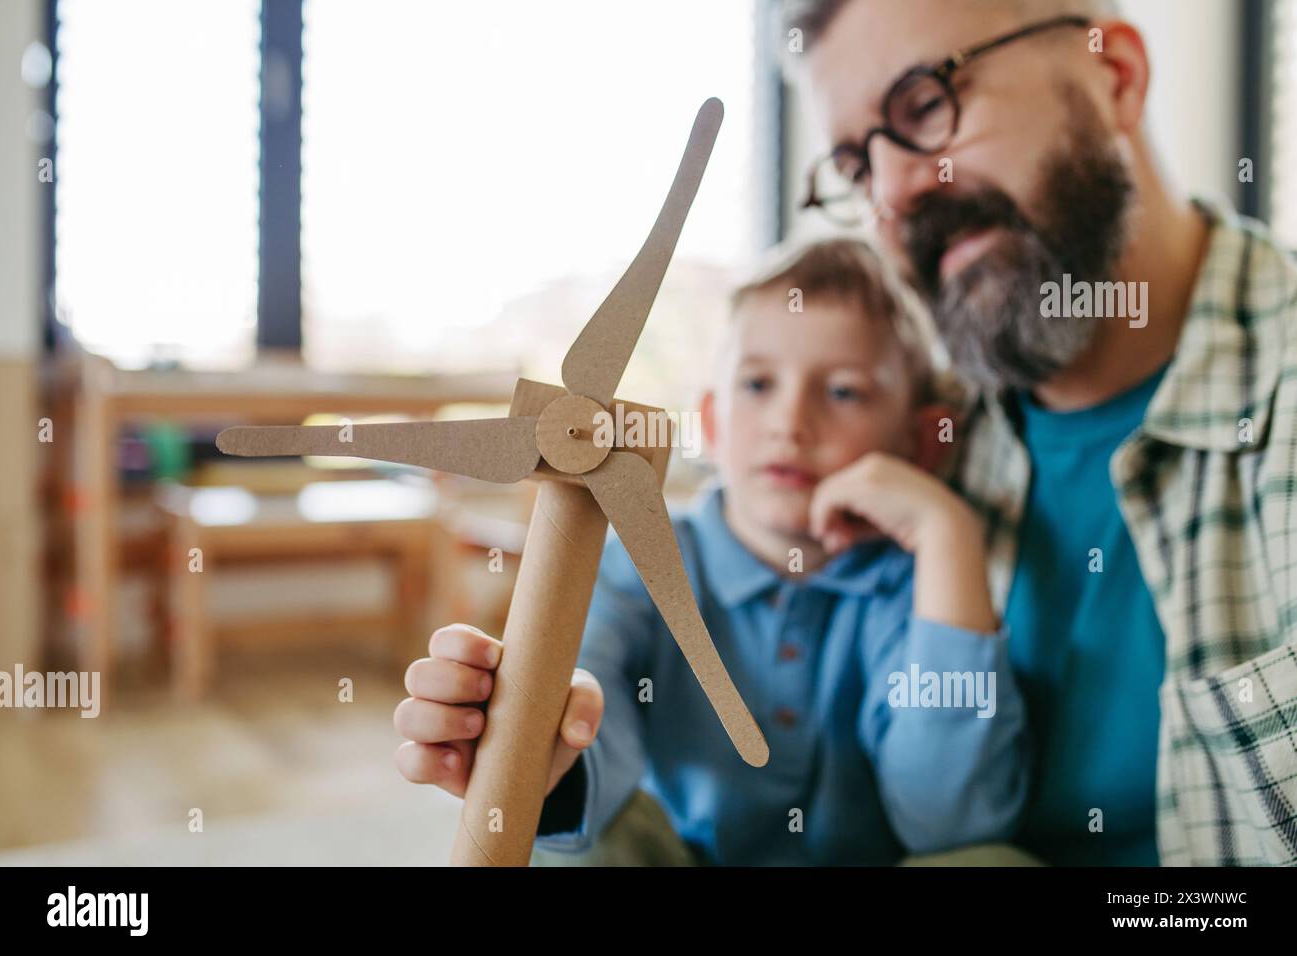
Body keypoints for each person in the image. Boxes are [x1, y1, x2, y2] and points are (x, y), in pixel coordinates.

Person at [784, 0, 1297, 865]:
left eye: (925, 104)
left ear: (1116, 78)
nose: (898, 191)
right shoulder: (903, 440)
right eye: (854, 164)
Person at [394, 238, 1030, 865]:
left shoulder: (917, 592)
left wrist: (949, 537)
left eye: (843, 392)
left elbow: (952, 822)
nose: (790, 422)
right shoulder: (638, 564)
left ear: (922, 444)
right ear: (714, 423)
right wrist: (541, 755)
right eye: (757, 384)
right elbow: (588, 713)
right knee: (587, 843)